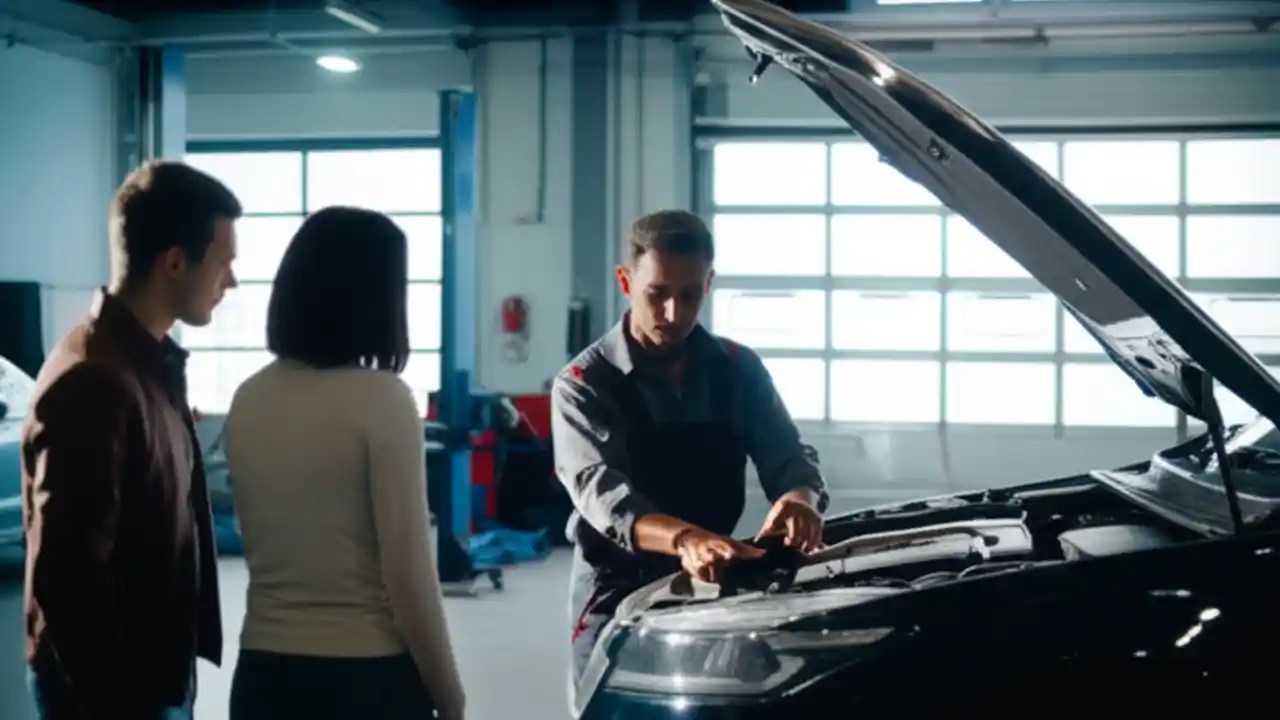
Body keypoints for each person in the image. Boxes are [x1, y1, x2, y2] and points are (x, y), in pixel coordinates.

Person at [553, 209, 830, 688]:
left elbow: (787, 454)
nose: (673, 314)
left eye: (690, 295)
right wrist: (685, 539)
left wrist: (798, 497)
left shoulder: (738, 369)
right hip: (616, 593)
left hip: (714, 585)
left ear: (710, 283)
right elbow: (606, 497)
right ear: (625, 281)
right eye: (656, 294)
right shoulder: (583, 385)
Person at [222, 206, 466, 720]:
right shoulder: (383, 400)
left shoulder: (249, 398)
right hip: (365, 678)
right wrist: (451, 697)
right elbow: (409, 575)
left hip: (263, 675)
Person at [21, 160, 241, 718]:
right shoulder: (94, 379)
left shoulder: (146, 361)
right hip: (116, 693)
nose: (231, 282)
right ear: (173, 263)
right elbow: (67, 574)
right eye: (223, 264)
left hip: (153, 673)